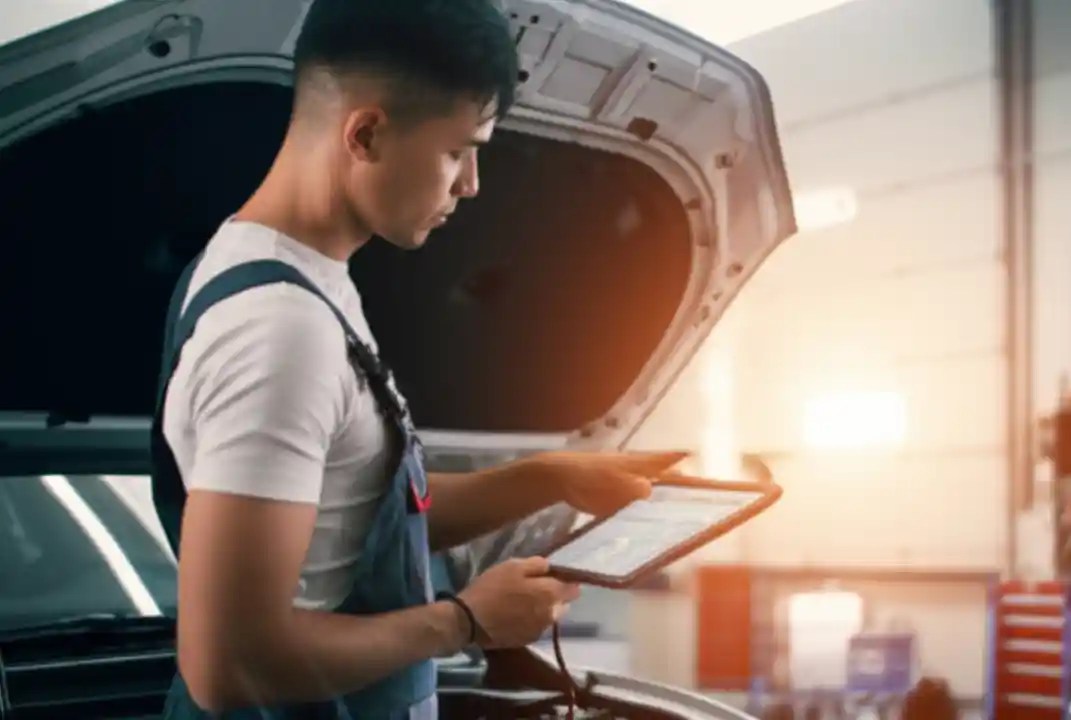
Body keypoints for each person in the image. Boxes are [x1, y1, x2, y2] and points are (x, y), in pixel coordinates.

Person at [148, 0, 685, 717]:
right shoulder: (281, 332)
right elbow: (229, 666)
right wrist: (463, 622)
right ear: (365, 133)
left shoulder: (290, 273)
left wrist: (548, 477)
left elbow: (357, 513)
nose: (471, 184)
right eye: (459, 149)